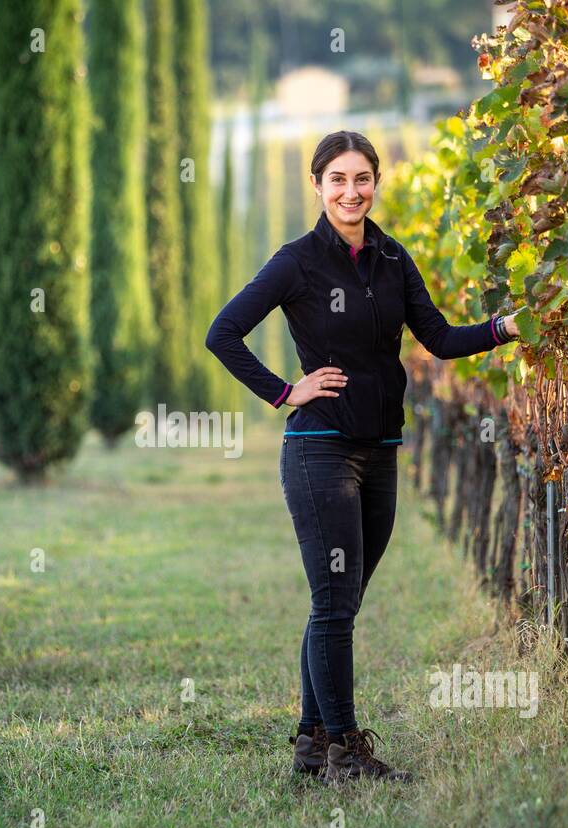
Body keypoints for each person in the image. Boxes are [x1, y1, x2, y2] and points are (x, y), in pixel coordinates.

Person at [205, 130, 518, 785]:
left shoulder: (393, 259)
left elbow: (437, 338)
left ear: (376, 183)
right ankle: (347, 750)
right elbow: (223, 333)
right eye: (338, 179)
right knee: (334, 603)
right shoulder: (296, 262)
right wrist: (287, 392)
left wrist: (504, 328)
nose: (352, 191)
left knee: (339, 603)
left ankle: (313, 746)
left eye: (363, 178)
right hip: (319, 451)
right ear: (317, 186)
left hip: (380, 452)